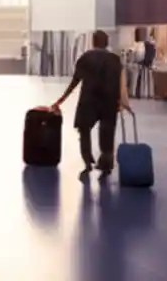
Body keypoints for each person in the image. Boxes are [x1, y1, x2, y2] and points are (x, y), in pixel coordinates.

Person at [52, 30, 130, 178]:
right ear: (106, 43)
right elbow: (122, 84)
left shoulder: (85, 58)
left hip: (89, 101)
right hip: (109, 101)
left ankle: (88, 162)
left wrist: (60, 100)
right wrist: (123, 102)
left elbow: (75, 82)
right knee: (107, 133)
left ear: (93, 42)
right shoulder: (115, 60)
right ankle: (106, 163)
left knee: (84, 130)